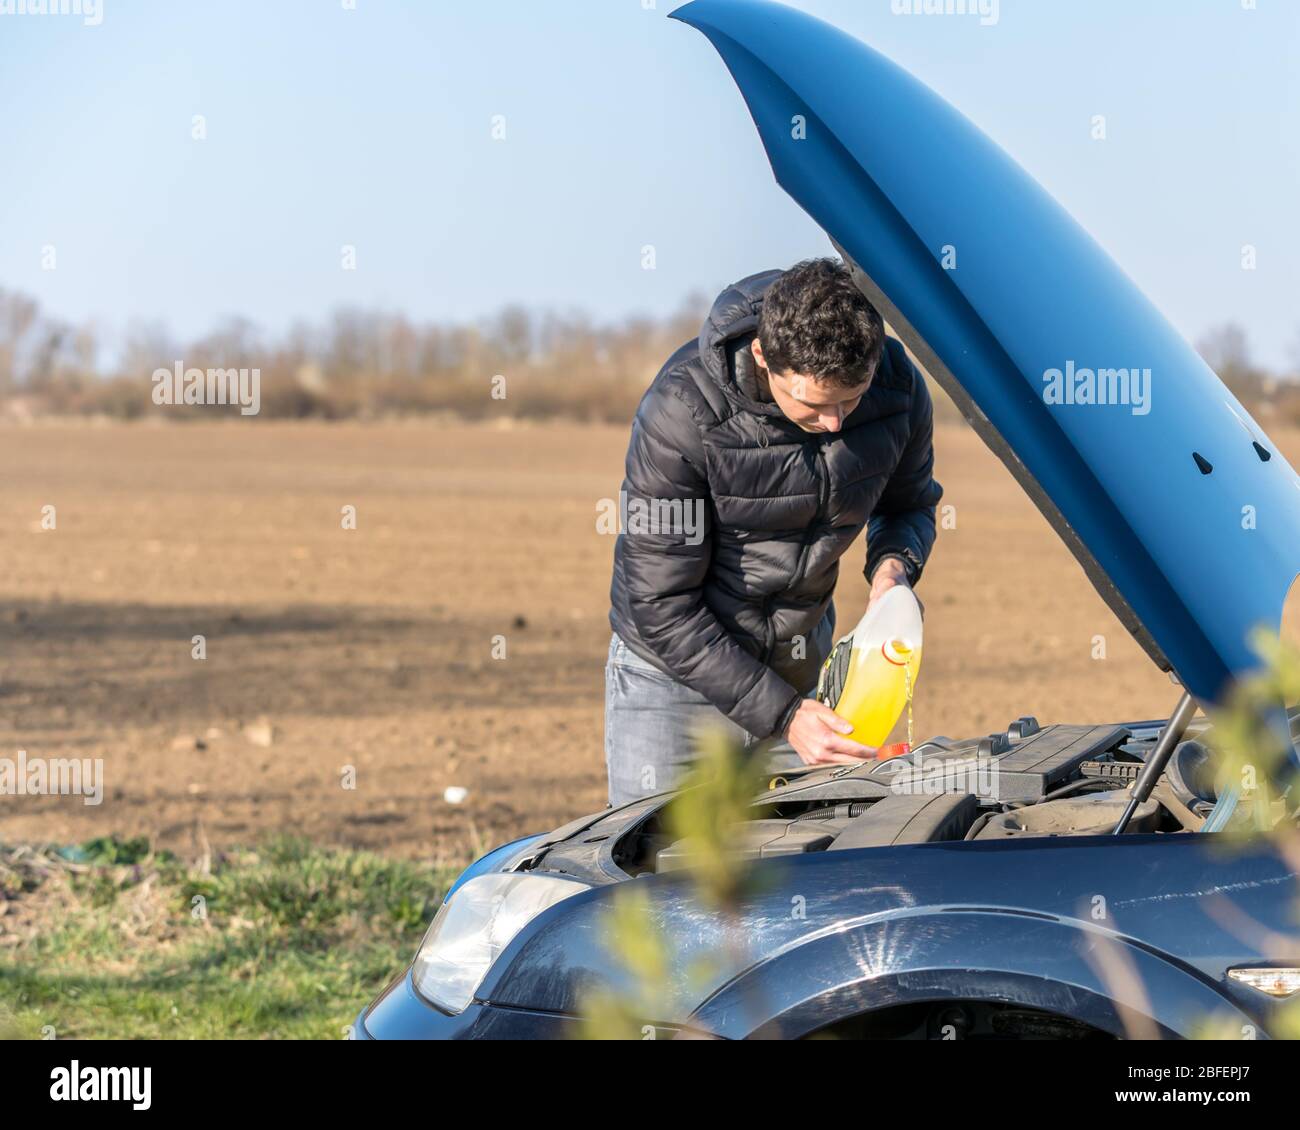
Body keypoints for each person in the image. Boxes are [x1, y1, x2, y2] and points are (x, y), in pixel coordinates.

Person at [605, 258, 942, 806]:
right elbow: (659, 601)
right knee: (667, 881)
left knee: (810, 874)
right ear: (763, 356)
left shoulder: (897, 386)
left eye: (851, 401)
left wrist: (892, 571)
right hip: (672, 687)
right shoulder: (680, 412)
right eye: (815, 404)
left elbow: (910, 505)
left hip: (805, 673)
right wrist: (782, 715)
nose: (836, 423)